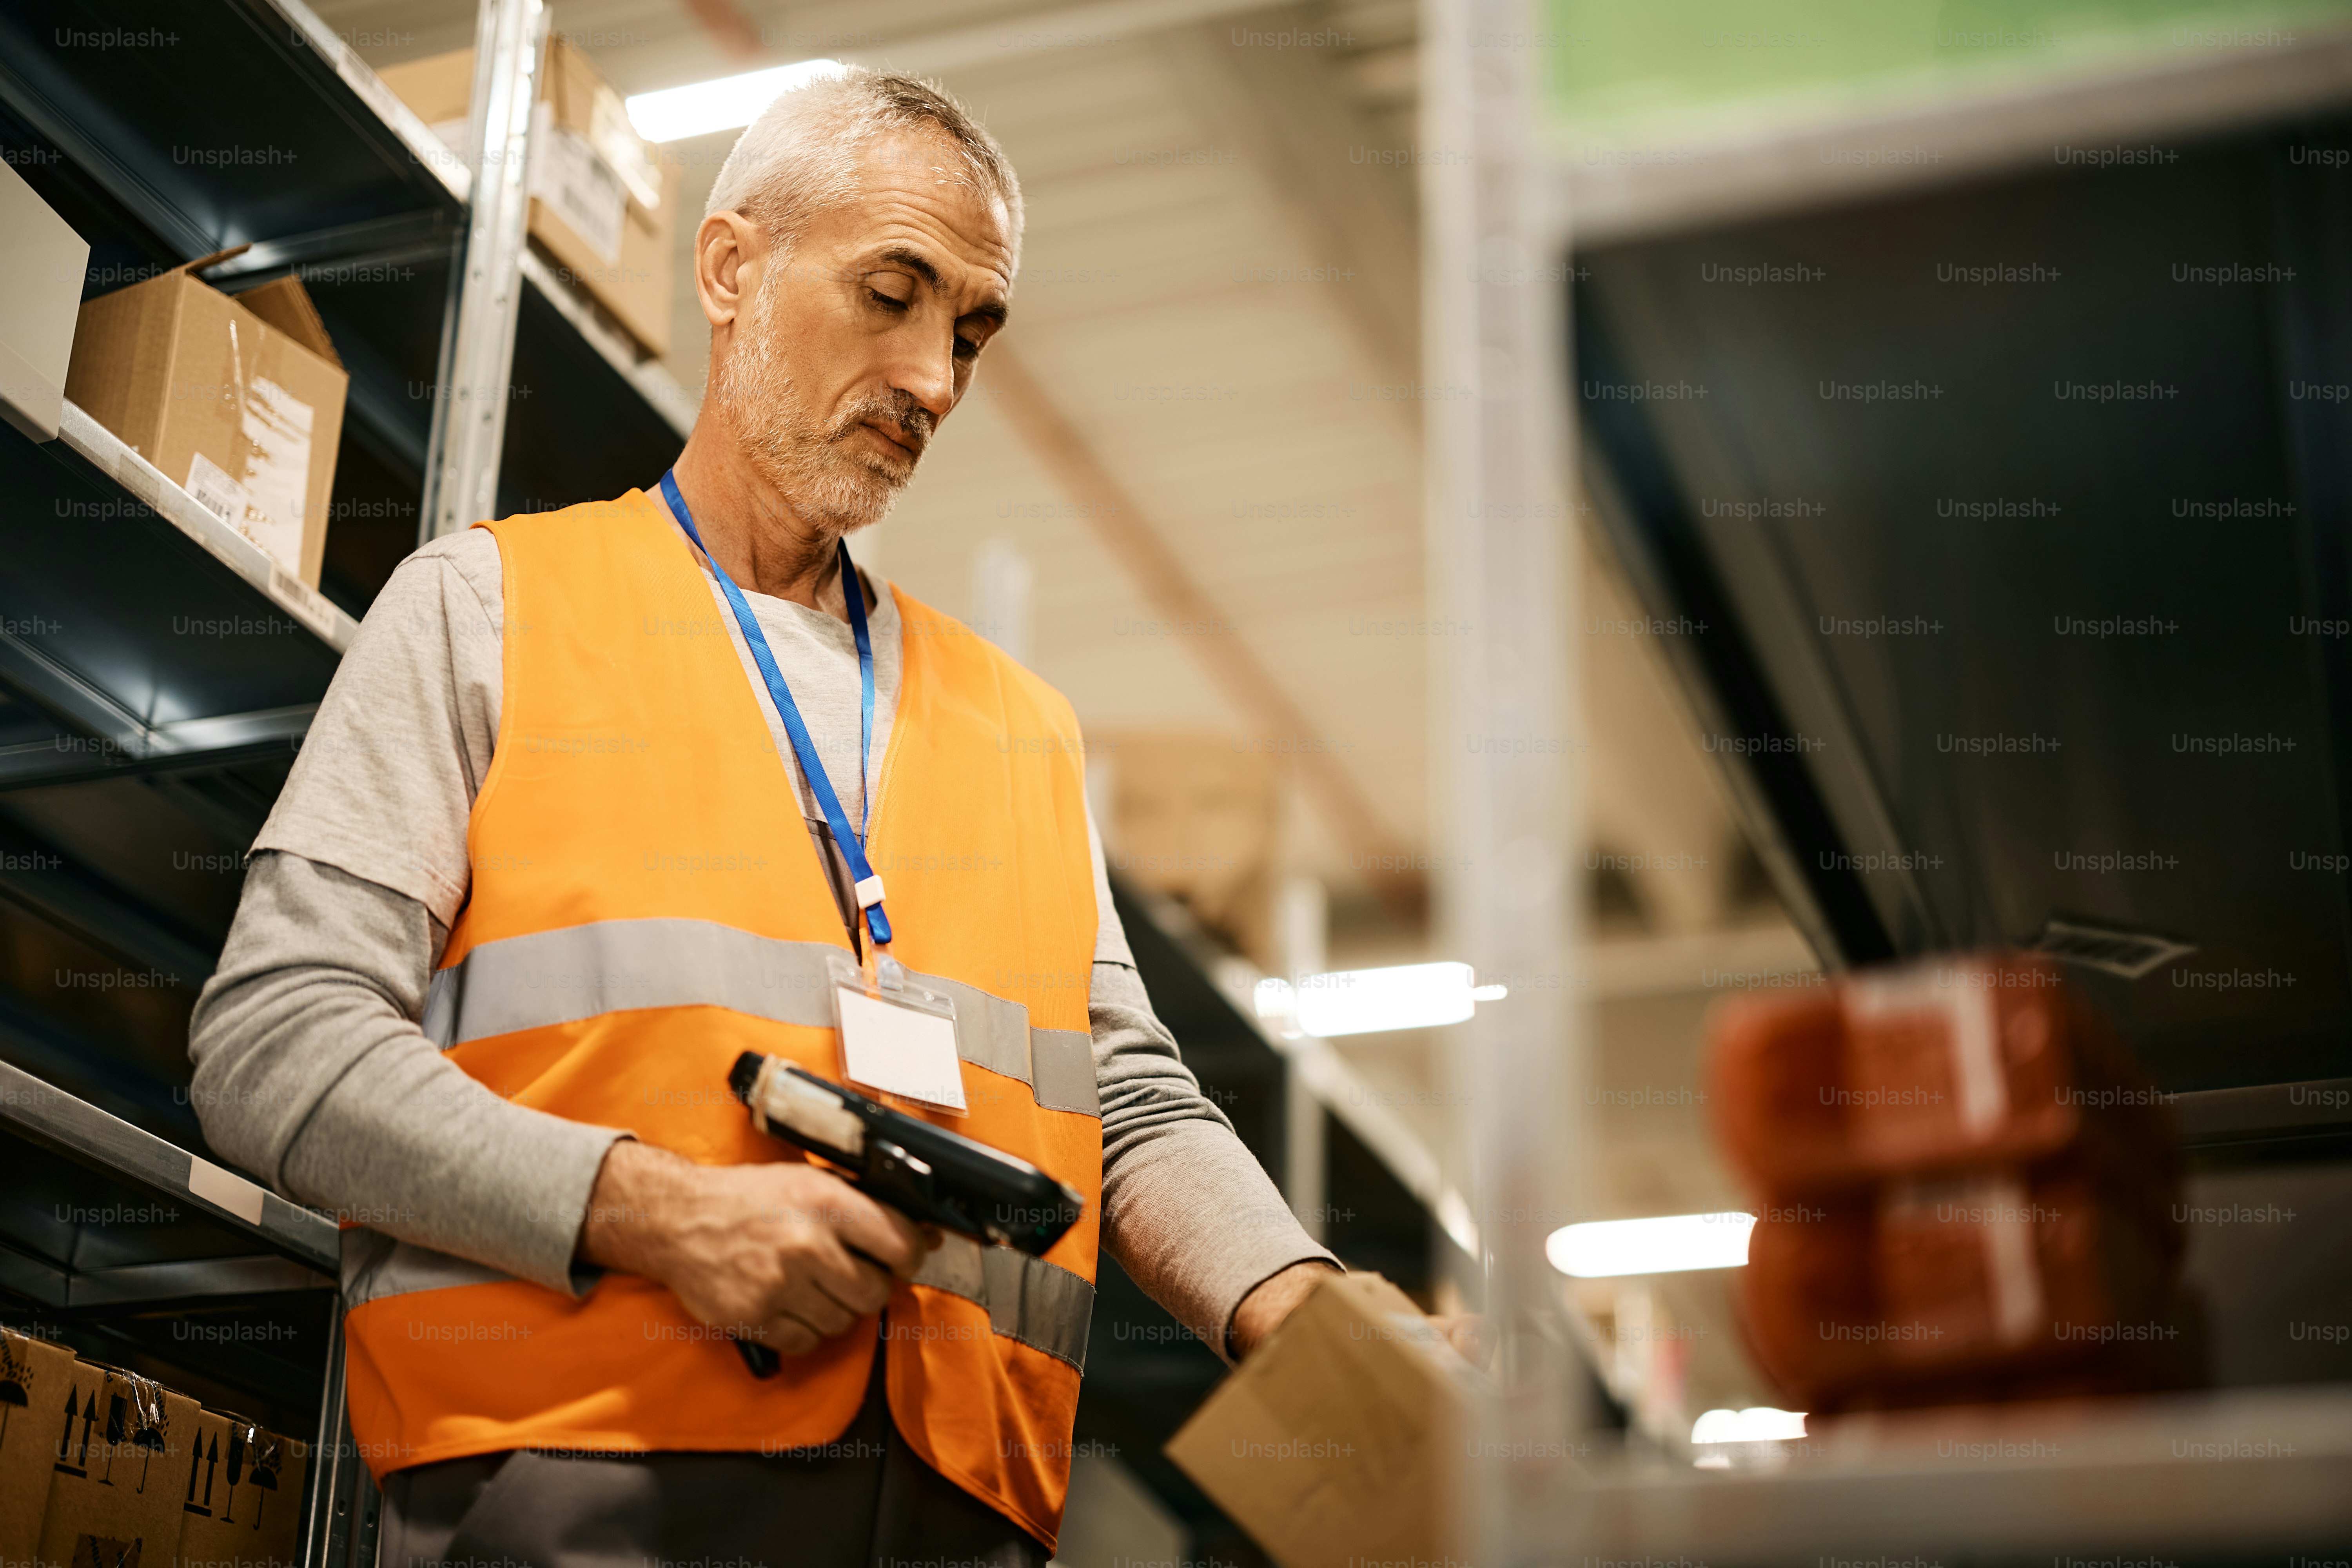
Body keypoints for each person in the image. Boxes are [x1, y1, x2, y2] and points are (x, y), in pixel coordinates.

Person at [188, 67, 1336, 1567]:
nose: (934, 378)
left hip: (960, 1513)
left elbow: (1126, 1102)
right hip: (580, 1495)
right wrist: (652, 1212)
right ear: (731, 268)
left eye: (971, 331)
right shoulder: (494, 610)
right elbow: (274, 1042)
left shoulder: (1023, 728)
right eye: (893, 293)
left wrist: (1303, 1305)